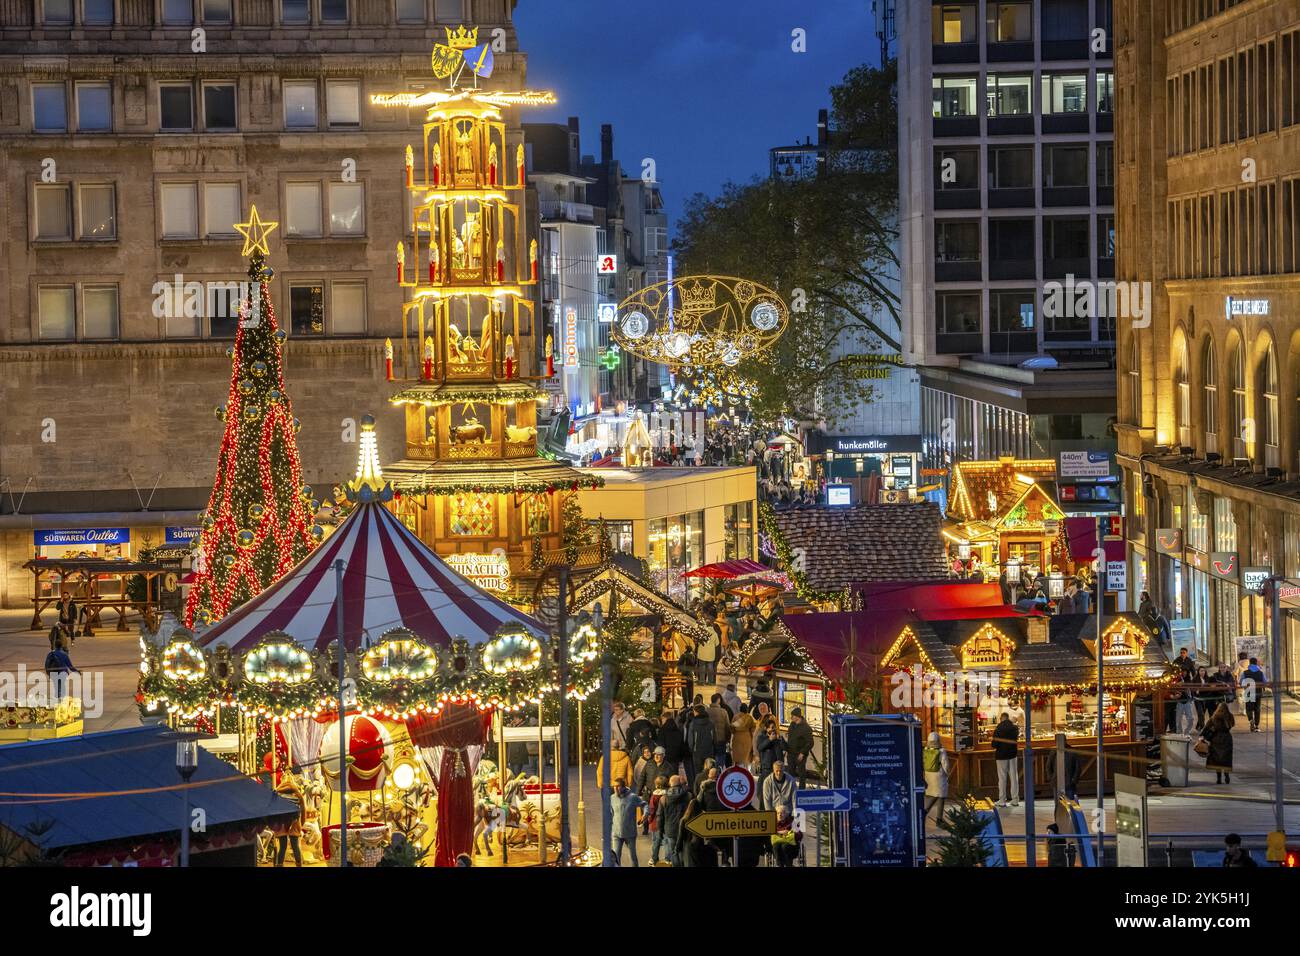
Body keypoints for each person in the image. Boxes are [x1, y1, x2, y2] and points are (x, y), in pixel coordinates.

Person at [273, 769, 305, 867]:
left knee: (282, 846)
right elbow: (303, 809)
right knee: (295, 845)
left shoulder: (277, 792)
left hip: (282, 821)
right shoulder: (297, 792)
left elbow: (273, 809)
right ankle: (299, 864)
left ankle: (279, 864)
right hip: (295, 821)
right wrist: (302, 822)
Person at [610, 780, 646, 867]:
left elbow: (645, 804)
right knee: (616, 856)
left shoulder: (632, 797)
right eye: (614, 786)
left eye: (618, 786)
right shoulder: (612, 798)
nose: (615, 789)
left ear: (623, 787)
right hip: (616, 833)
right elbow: (610, 813)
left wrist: (645, 815)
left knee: (632, 856)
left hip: (630, 833)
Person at [655, 775, 688, 866]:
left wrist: (660, 831)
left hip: (670, 830)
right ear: (680, 783)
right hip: (685, 829)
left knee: (673, 852)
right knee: (684, 851)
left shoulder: (663, 798)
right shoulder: (688, 796)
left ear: (670, 784)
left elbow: (659, 817)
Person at [1200, 702, 1235, 784]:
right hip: (1227, 739)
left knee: (1217, 760)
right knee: (1226, 759)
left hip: (1216, 739)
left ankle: (1218, 778)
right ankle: (1227, 776)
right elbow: (1232, 724)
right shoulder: (1230, 716)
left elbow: (1206, 728)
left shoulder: (1214, 717)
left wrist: (1201, 736)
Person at [991, 712, 1020, 807]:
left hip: (1001, 756)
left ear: (1001, 718)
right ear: (1008, 718)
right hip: (1012, 755)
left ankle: (1002, 800)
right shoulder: (1015, 728)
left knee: (1002, 778)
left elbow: (994, 745)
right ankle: (1015, 799)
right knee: (1014, 777)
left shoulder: (998, 729)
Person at [922, 731, 952, 822]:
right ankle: (937, 818)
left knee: (935, 795)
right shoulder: (941, 751)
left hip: (928, 775)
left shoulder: (925, 750)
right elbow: (945, 764)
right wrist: (948, 773)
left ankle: (927, 812)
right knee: (940, 795)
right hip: (939, 776)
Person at [684, 704, 714, 789]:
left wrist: (692, 749)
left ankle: (698, 790)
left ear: (696, 712)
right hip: (709, 751)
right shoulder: (711, 723)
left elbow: (690, 739)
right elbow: (714, 737)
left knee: (698, 773)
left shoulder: (693, 724)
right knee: (709, 771)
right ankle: (709, 789)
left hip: (697, 752)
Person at [785, 707, 814, 789]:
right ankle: (791, 789)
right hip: (791, 752)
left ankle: (801, 790)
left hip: (799, 754)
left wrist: (802, 753)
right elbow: (791, 736)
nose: (791, 718)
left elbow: (810, 742)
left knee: (801, 773)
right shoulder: (792, 725)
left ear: (798, 716)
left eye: (793, 716)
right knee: (790, 773)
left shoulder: (806, 728)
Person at [755, 718, 787, 783]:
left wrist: (781, 739)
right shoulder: (762, 737)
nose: (773, 729)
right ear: (766, 729)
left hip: (778, 767)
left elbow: (786, 748)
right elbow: (760, 748)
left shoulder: (778, 737)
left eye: (774, 727)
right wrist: (769, 740)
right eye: (771, 727)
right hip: (767, 767)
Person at [647, 775, 668, 864]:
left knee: (656, 841)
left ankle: (654, 858)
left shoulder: (654, 796)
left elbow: (651, 809)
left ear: (657, 785)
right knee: (667, 841)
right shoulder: (667, 795)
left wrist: (649, 819)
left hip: (656, 822)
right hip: (666, 821)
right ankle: (668, 859)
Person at [1240, 657, 1266, 732]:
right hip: (1258, 692)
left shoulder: (1245, 673)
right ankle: (1257, 725)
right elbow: (1265, 682)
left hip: (1249, 692)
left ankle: (1251, 720)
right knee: (1257, 709)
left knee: (1249, 708)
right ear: (1256, 663)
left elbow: (1241, 682)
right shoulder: (1260, 673)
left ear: (1250, 663)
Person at [707, 694, 732, 769]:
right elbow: (727, 727)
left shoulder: (707, 711)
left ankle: (711, 774)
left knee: (711, 760)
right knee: (720, 759)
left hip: (709, 740)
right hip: (721, 739)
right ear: (718, 700)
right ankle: (719, 773)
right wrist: (728, 739)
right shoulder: (723, 712)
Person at [730, 703, 757, 769]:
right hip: (747, 738)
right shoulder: (749, 717)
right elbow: (753, 729)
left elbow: (731, 728)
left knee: (737, 756)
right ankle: (746, 771)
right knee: (746, 757)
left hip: (737, 738)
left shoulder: (735, 717)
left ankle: (736, 770)